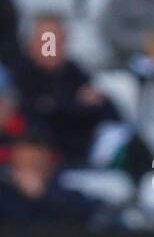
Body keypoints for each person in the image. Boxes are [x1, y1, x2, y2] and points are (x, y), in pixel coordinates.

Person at [10, 14, 118, 165]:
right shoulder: (20, 72)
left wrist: (62, 105)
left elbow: (104, 107)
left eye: (56, 41)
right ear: (32, 42)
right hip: (41, 155)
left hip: (83, 148)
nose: (51, 47)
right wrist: (74, 103)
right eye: (46, 40)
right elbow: (34, 111)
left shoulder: (73, 71)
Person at [0, 127, 102, 225]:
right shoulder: (5, 185)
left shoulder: (68, 180)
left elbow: (88, 212)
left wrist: (43, 194)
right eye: (21, 160)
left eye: (33, 161)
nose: (26, 167)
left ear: (47, 159)